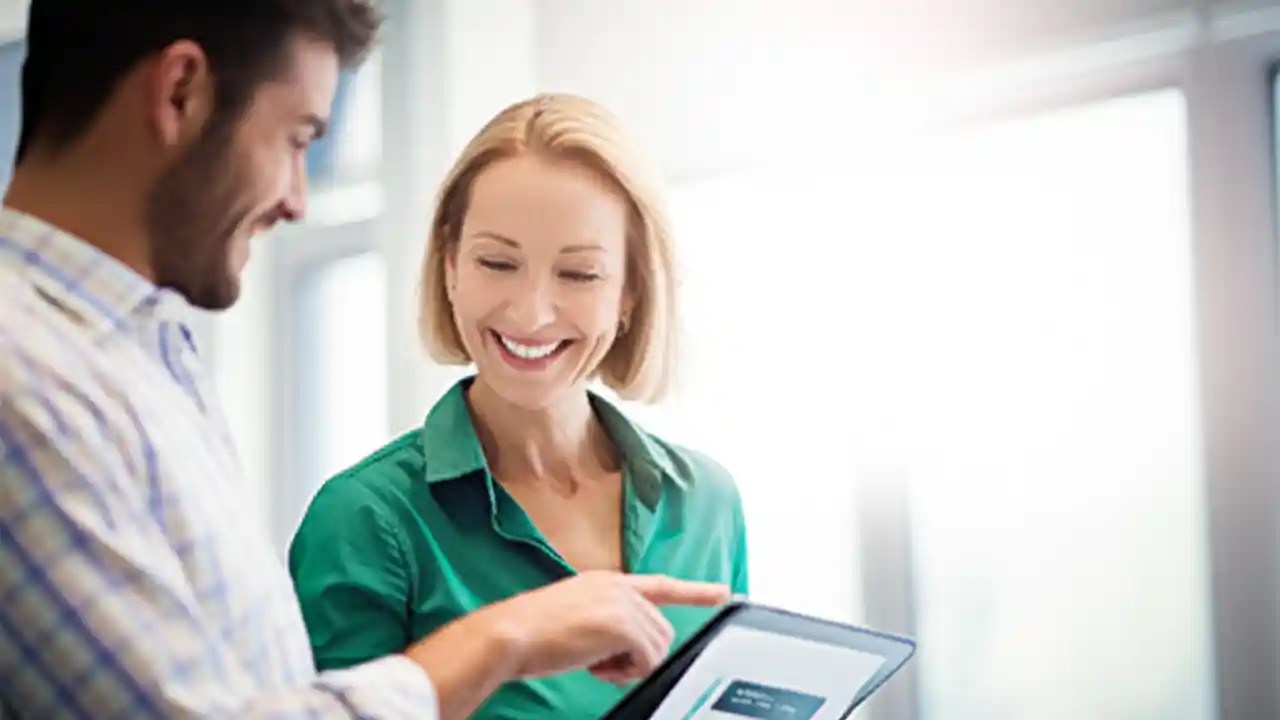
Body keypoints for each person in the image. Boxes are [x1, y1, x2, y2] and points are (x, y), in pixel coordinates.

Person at [0, 3, 729, 719]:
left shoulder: (147, 357)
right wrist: (506, 638)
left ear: (632, 292)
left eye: (579, 274)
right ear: (180, 91)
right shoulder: (28, 383)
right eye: (297, 138)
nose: (297, 200)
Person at [288, 92, 750, 719]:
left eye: (579, 274)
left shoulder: (705, 504)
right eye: (497, 263)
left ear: (630, 292)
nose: (531, 313)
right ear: (450, 267)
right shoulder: (366, 521)